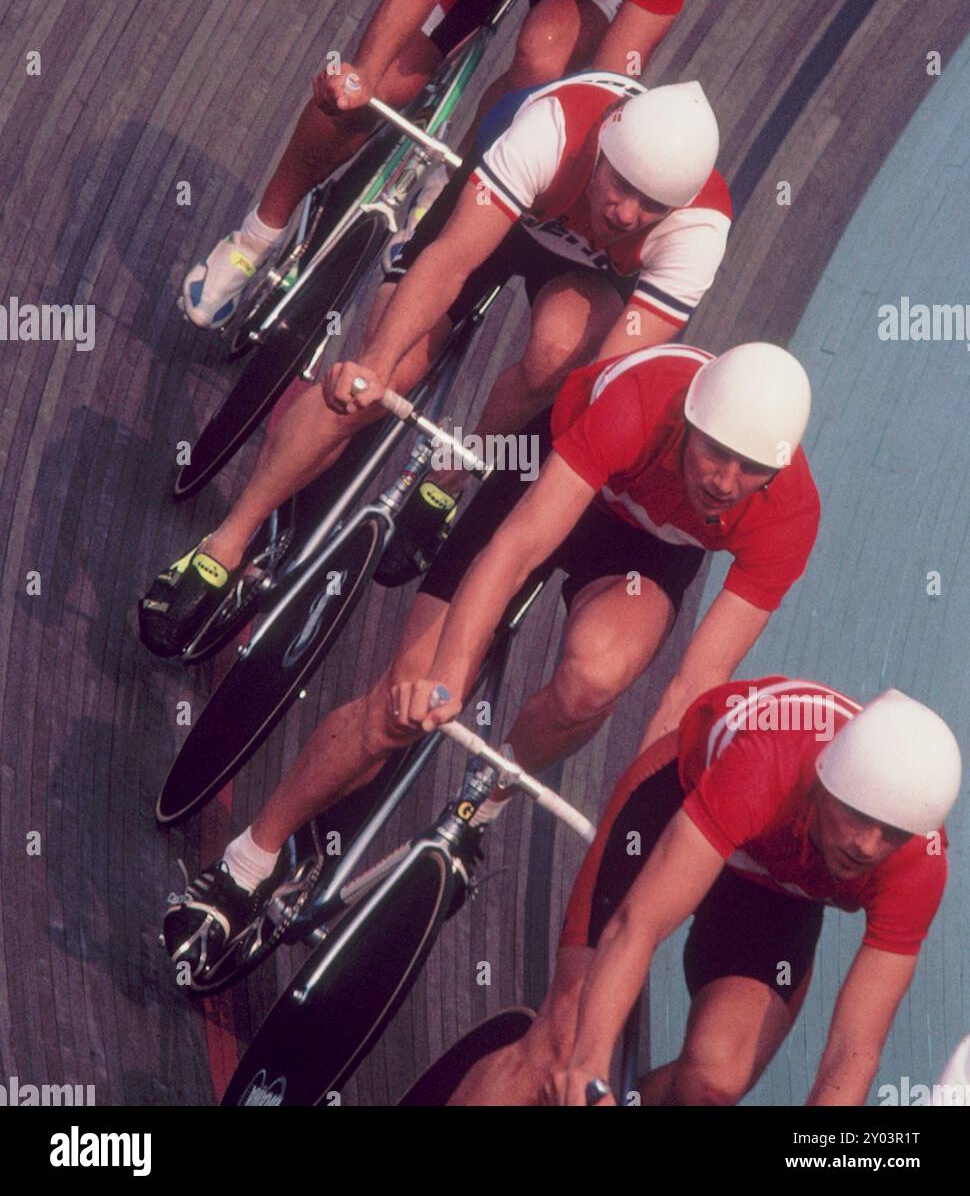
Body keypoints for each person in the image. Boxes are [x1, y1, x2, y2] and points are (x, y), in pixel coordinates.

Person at [162, 342, 821, 977]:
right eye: (715, 453)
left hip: (644, 554)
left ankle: (487, 800)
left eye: (750, 468)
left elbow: (694, 687)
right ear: (688, 421)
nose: (726, 482)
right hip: (549, 479)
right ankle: (249, 858)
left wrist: (638, 824)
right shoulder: (641, 403)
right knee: (402, 701)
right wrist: (446, 681)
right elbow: (515, 550)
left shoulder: (788, 516)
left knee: (594, 683)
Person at [140, 74, 730, 655]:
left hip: (585, 277)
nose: (627, 214)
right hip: (502, 220)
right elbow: (451, 260)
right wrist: (374, 362)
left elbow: (609, 381)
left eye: (651, 206)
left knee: (558, 359)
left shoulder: (699, 230)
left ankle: (449, 476)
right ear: (603, 145)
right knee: (380, 380)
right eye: (620, 186)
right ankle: (227, 541)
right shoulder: (556, 128)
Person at [180, 0, 728, 329]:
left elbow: (606, 89)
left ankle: (453, 179)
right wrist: (362, 73)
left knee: (546, 59)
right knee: (387, 80)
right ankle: (256, 236)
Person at [445, 677, 962, 1107]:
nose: (868, 847)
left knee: (714, 1082)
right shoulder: (767, 763)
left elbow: (853, 1050)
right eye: (857, 816)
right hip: (683, 801)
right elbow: (637, 926)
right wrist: (588, 1069)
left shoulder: (918, 864)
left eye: (891, 833)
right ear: (826, 782)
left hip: (776, 883)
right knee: (559, 1049)